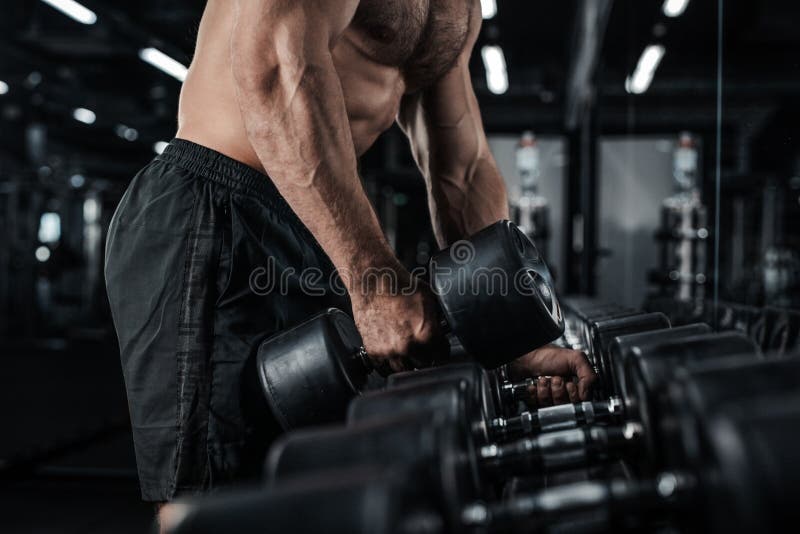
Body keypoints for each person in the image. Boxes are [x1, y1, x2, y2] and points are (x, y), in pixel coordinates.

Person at [104, 0, 596, 514]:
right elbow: (275, 68)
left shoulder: (459, 8)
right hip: (222, 207)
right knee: (219, 497)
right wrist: (376, 283)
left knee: (314, 475)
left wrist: (513, 337)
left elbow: (461, 165)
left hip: (319, 215)